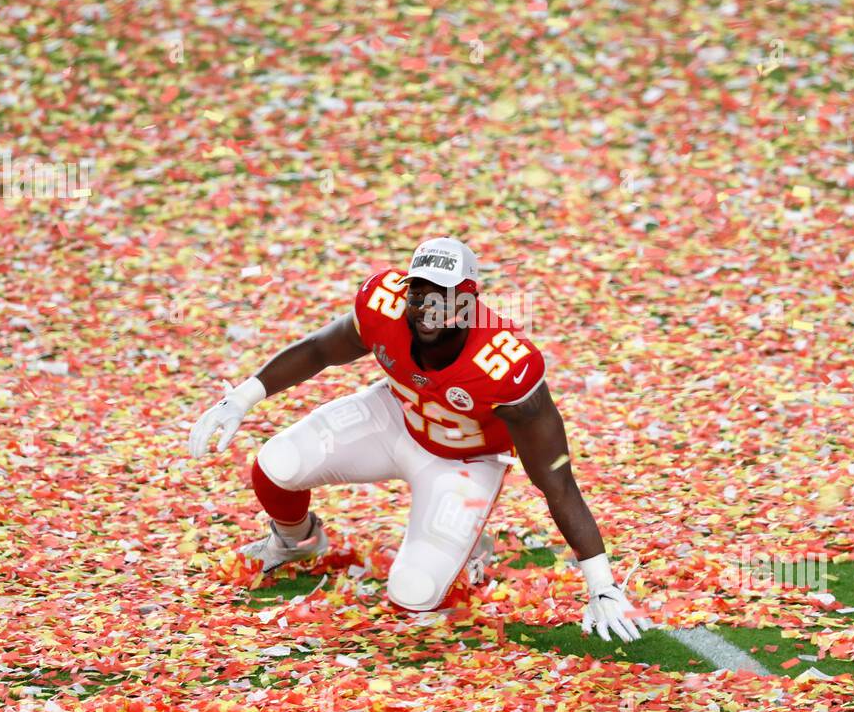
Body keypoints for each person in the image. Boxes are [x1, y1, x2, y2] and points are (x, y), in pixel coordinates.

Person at [189, 236, 651, 642]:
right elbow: (319, 349)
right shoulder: (384, 303)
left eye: (444, 295)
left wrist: (601, 583)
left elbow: (557, 482)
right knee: (277, 463)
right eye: (419, 290)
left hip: (464, 461)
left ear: (468, 300)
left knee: (415, 594)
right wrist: (244, 397)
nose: (428, 305)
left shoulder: (504, 364)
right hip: (396, 414)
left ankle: (472, 543)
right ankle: (296, 542)